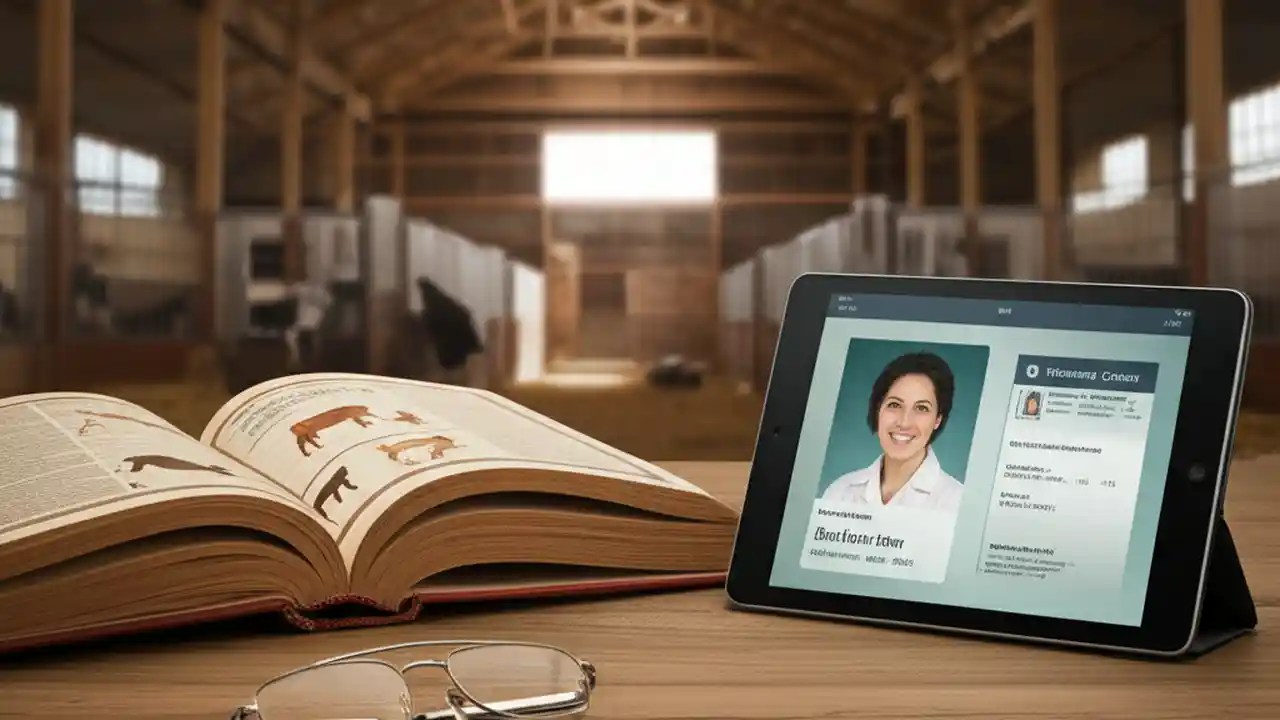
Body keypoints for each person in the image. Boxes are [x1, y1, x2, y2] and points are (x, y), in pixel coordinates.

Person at [821, 352, 963, 512]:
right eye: (895, 405)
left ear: (937, 419)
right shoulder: (840, 492)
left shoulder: (956, 502)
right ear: (878, 409)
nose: (904, 422)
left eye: (921, 408)